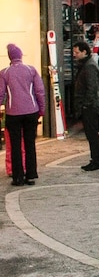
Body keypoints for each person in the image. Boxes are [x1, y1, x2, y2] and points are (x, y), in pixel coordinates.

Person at [0, 43, 45, 184]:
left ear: (9, 57)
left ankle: (18, 176)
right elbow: (39, 91)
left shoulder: (4, 73)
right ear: (20, 56)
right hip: (31, 110)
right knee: (30, 143)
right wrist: (41, 109)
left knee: (15, 145)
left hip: (13, 112)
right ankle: (31, 174)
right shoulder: (31, 70)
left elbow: (0, 94)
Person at [71, 40, 99, 172]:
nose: (75, 54)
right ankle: (95, 160)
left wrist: (86, 105)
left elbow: (92, 88)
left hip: (90, 106)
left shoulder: (89, 66)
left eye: (77, 52)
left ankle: (96, 161)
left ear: (84, 52)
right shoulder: (85, 65)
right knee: (91, 134)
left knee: (92, 134)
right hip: (88, 105)